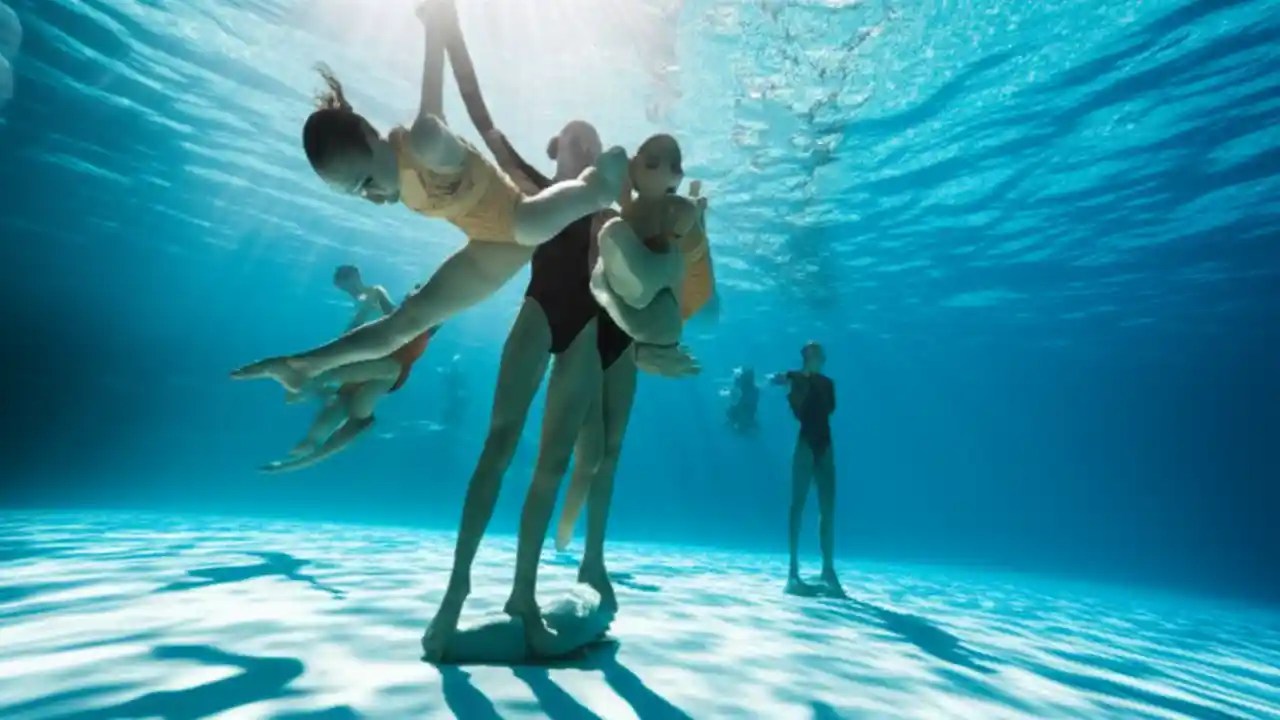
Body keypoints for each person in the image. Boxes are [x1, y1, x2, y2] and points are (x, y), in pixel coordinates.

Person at [230, 0, 628, 394]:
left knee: (543, 218)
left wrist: (436, 24)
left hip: (517, 218)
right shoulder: (393, 172)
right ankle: (304, 365)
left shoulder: (424, 143)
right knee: (406, 323)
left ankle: (599, 185)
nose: (370, 196)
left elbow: (432, 99)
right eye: (357, 193)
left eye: (366, 180)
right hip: (490, 247)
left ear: (373, 135)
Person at [415, 2, 628, 660]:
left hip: (588, 337)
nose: (586, 146)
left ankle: (523, 595)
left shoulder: (612, 205)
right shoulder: (534, 186)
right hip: (540, 316)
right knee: (498, 446)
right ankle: (453, 596)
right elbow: (481, 117)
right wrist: (446, 37)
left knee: (554, 464)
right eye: (575, 139)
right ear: (555, 151)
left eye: (593, 141)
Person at [555, 135, 716, 611]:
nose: (666, 170)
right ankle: (568, 533)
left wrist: (698, 218)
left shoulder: (665, 215)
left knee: (607, 451)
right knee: (588, 449)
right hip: (606, 329)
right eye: (653, 162)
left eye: (673, 164)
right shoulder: (601, 208)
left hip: (638, 322)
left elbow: (695, 274)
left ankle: (591, 557)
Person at [261, 277, 442, 474]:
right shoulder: (402, 320)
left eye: (417, 293)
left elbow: (385, 303)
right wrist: (368, 294)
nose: (410, 297)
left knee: (354, 398)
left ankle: (313, 389)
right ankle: (301, 451)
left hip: (382, 373)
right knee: (331, 418)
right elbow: (378, 308)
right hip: (364, 378)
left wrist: (373, 293)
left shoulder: (417, 324)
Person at [769, 342, 841, 596]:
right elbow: (779, 382)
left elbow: (828, 409)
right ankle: (793, 572)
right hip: (806, 443)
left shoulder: (827, 384)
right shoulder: (795, 378)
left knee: (828, 509)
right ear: (805, 357)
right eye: (811, 353)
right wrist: (787, 379)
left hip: (825, 443)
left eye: (818, 353)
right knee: (797, 505)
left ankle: (828, 570)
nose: (815, 357)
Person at [725, 366, 759, 434]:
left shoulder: (753, 390)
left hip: (742, 416)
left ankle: (743, 423)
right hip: (741, 416)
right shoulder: (753, 390)